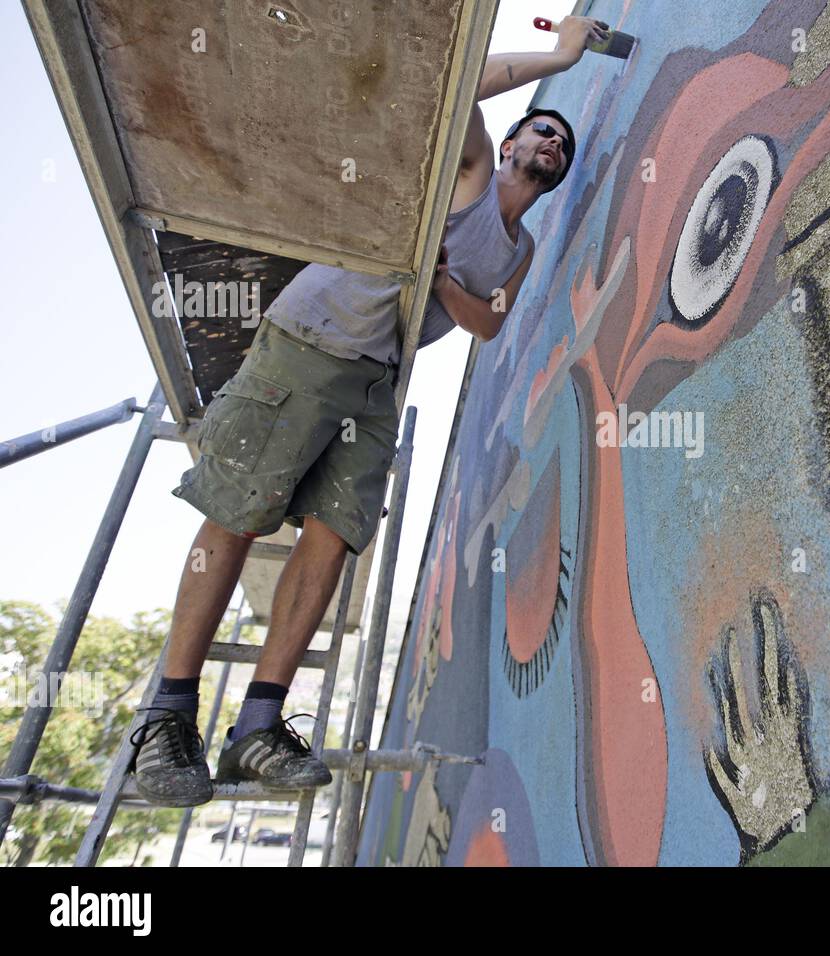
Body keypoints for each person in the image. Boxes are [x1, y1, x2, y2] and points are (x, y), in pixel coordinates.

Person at [129, 16, 609, 806]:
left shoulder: (517, 250)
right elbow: (457, 89)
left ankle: (258, 723)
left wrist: (451, 287)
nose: (552, 141)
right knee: (239, 513)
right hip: (314, 337)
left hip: (379, 377)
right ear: (515, 141)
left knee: (334, 537)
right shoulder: (471, 179)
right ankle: (168, 713)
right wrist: (560, 57)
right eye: (542, 129)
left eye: (563, 140)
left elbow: (488, 321)